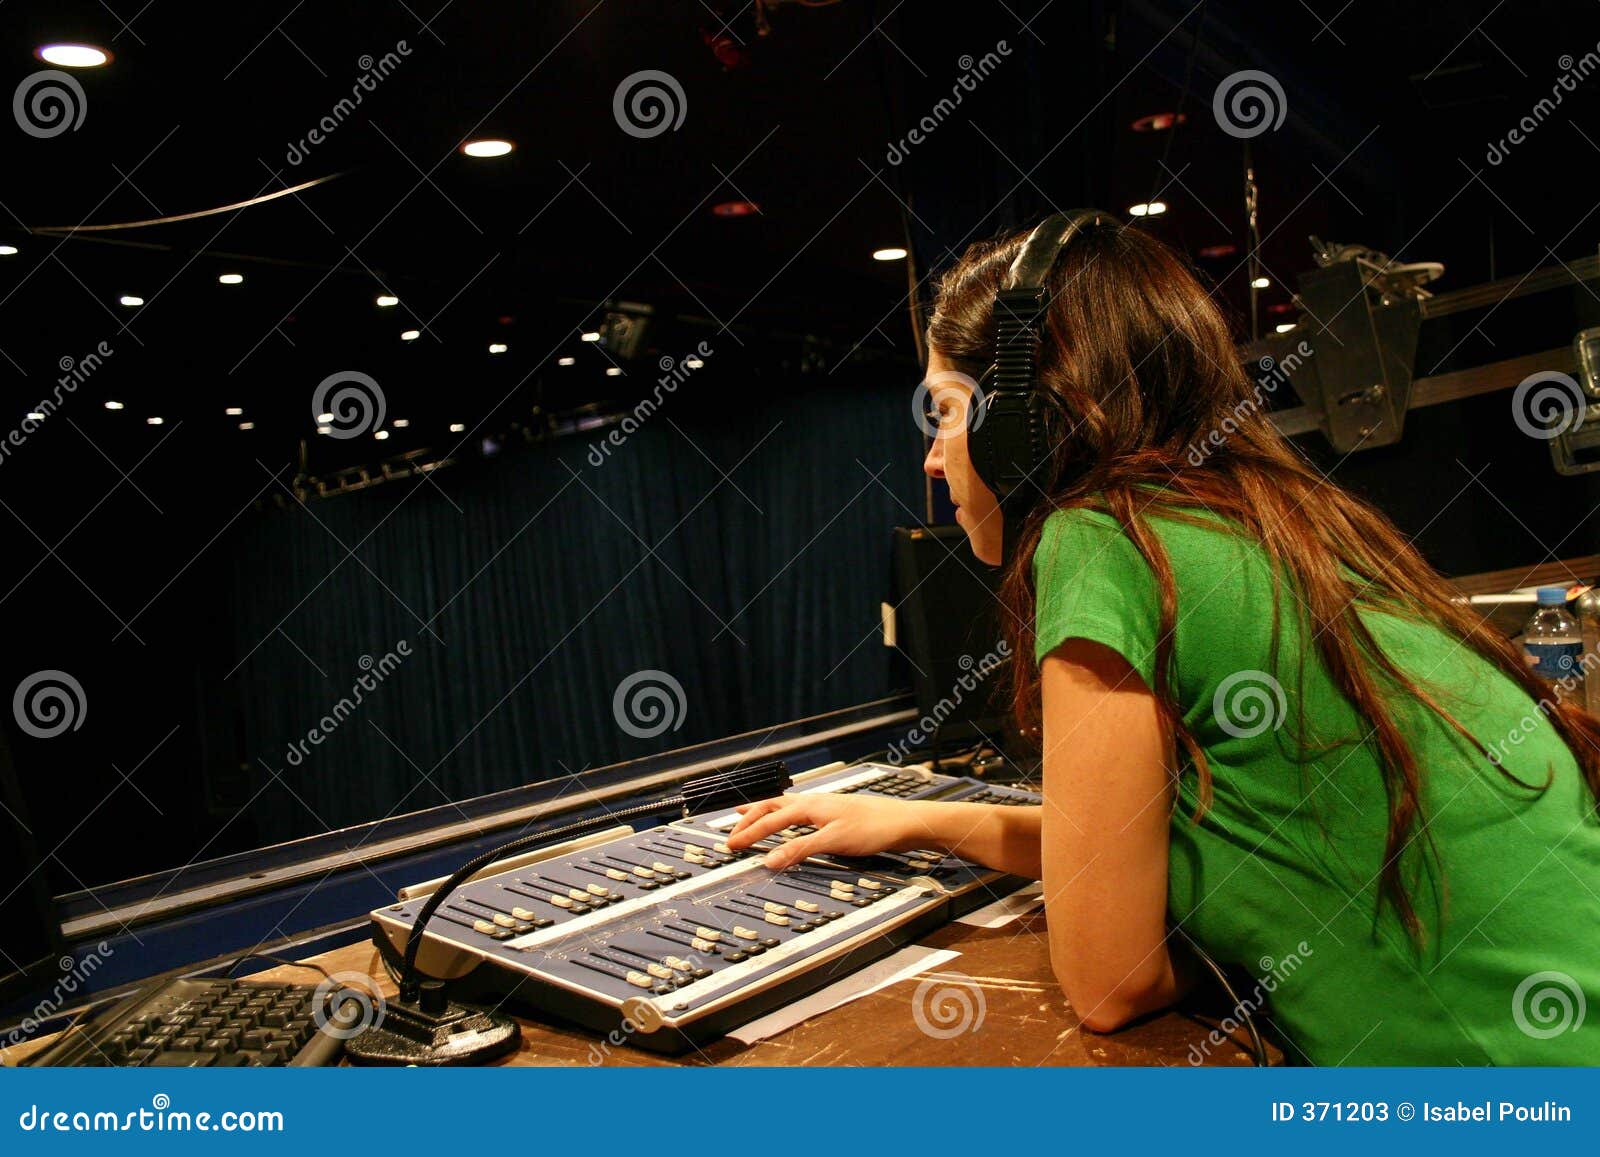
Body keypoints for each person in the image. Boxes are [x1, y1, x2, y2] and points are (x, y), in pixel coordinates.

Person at [727, 218, 1600, 1065]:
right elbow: (1142, 848)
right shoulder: (1279, 518)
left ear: (1027, 419)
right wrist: (924, 821)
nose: (929, 459)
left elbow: (1110, 982)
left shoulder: (1098, 538)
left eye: (947, 412)